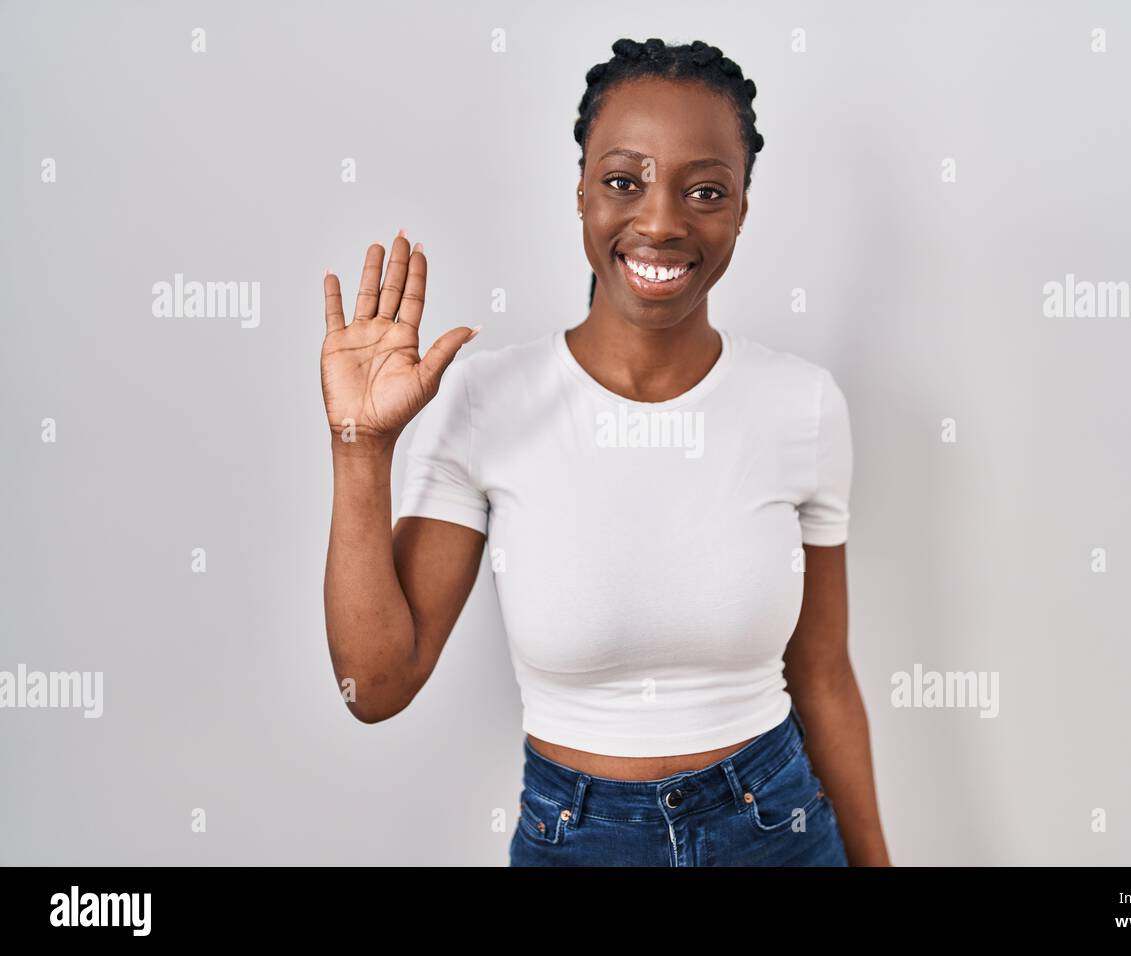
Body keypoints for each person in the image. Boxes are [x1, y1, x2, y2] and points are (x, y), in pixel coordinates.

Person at [319, 37, 890, 867]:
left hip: (779, 832)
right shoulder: (487, 400)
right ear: (581, 192)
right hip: (575, 841)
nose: (661, 221)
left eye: (705, 191)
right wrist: (361, 450)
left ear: (741, 208)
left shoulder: (802, 405)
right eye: (624, 181)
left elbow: (825, 673)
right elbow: (373, 686)